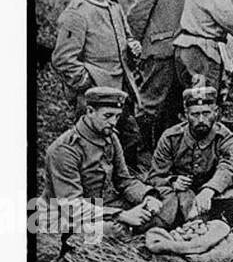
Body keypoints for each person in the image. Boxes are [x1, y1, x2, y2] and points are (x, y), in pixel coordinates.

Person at [51, 0, 143, 165]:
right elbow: (63, 60)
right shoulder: (77, 13)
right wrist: (89, 85)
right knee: (93, 149)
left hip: (121, 91)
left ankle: (128, 187)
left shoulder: (114, 6)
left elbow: (127, 37)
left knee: (129, 140)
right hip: (94, 98)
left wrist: (132, 46)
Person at [147, 84, 233, 230]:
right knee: (180, 200)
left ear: (216, 113)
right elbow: (154, 176)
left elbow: (230, 167)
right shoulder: (171, 138)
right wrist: (172, 181)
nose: (201, 119)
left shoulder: (226, 137)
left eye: (206, 113)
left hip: (219, 193)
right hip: (185, 198)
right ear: (185, 115)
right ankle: (196, 229)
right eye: (195, 114)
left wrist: (209, 190)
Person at [42, 87, 163, 232]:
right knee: (114, 229)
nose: (113, 122)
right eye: (108, 115)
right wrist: (121, 215)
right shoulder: (65, 149)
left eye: (117, 116)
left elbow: (124, 181)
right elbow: (71, 206)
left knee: (159, 211)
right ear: (90, 111)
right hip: (65, 214)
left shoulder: (110, 137)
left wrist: (147, 197)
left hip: (102, 206)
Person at [127, 0, 192, 147]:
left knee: (171, 108)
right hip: (158, 54)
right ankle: (136, 154)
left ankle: (161, 154)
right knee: (149, 107)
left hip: (173, 53)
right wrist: (132, 43)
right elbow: (138, 14)